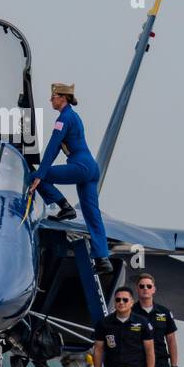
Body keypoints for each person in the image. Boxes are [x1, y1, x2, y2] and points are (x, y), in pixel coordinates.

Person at [27, 82, 112, 274]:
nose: (51, 100)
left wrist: (40, 174)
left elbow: (53, 146)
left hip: (80, 166)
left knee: (36, 176)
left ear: (62, 98)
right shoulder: (74, 116)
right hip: (91, 168)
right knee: (92, 214)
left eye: (53, 97)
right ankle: (102, 259)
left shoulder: (63, 119)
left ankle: (64, 206)